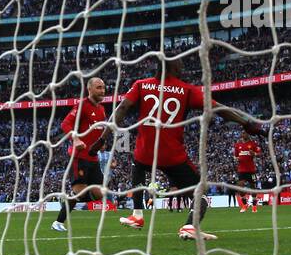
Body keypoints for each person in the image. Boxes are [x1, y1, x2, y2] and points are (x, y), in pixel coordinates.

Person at [112, 56, 263, 240]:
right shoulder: (186, 90)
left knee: (137, 164)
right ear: (173, 67)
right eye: (180, 64)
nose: (183, 67)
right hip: (172, 155)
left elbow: (123, 107)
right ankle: (190, 226)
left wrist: (106, 133)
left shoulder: (142, 84)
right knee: (201, 193)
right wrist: (245, 121)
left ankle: (137, 215)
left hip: (145, 152)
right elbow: (218, 108)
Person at [51, 77, 109, 233]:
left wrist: (102, 143)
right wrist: (75, 139)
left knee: (99, 193)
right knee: (80, 190)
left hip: (93, 158)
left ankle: (70, 198)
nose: (102, 90)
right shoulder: (82, 105)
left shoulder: (102, 109)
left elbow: (100, 130)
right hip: (78, 157)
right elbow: (65, 124)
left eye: (103, 87)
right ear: (89, 89)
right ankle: (58, 222)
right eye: (98, 87)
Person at [233, 131, 262, 212]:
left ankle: (254, 206)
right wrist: (237, 159)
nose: (244, 134)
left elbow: (259, 154)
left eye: (245, 133)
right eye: (242, 133)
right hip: (241, 170)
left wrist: (255, 154)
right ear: (241, 135)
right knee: (240, 186)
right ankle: (245, 205)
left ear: (248, 134)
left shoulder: (253, 144)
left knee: (253, 187)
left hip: (251, 170)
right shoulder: (237, 145)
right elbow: (235, 156)